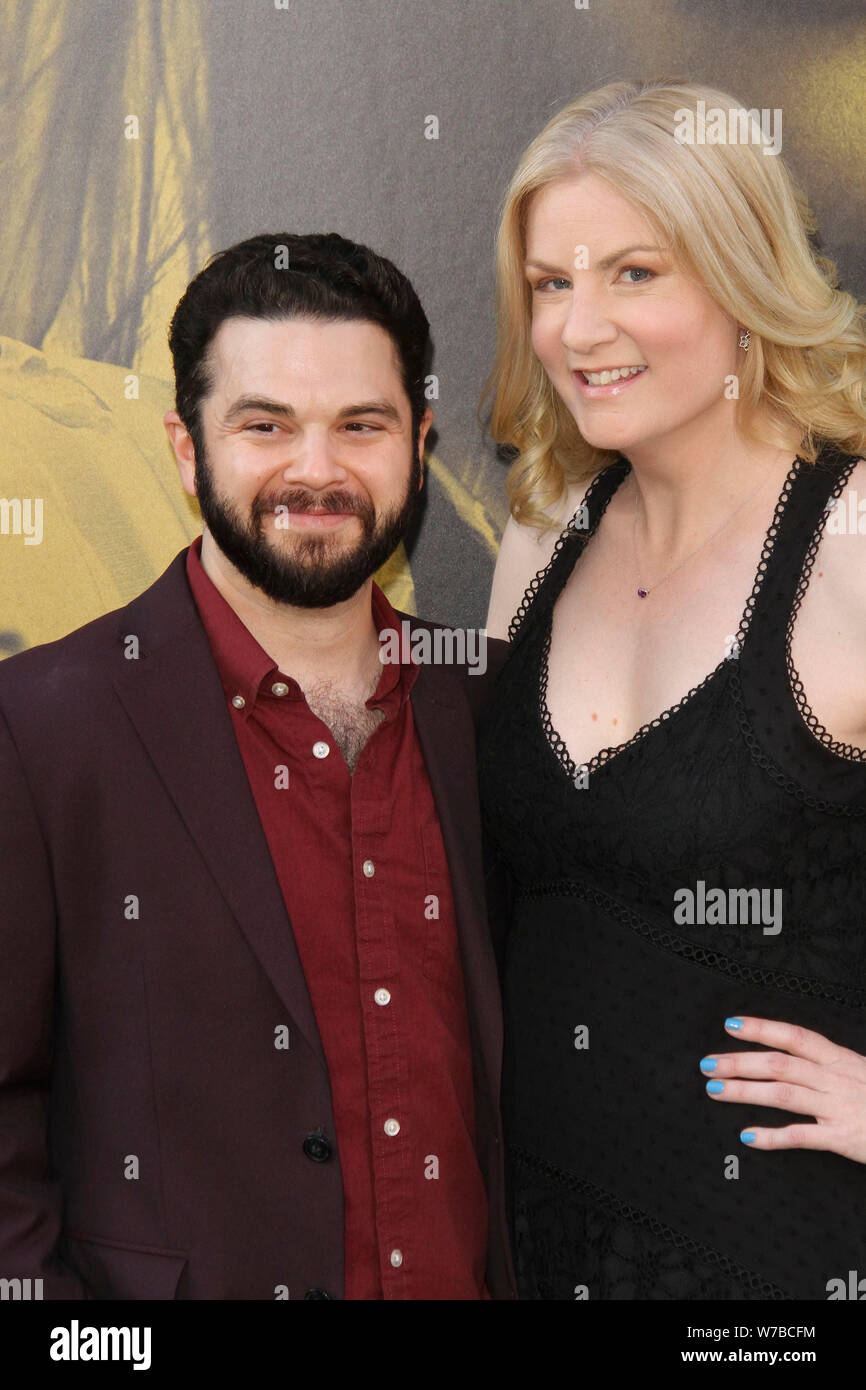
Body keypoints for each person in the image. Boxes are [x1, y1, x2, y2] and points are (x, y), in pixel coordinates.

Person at [0, 232, 516, 1301]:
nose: (315, 470)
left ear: (418, 446)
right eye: (264, 426)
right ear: (187, 454)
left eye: (360, 426)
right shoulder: (44, 726)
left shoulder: (489, 705)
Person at [477, 79, 866, 1300]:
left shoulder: (852, 541)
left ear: (742, 281)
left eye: (634, 273)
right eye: (551, 284)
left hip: (781, 1268)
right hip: (538, 1235)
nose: (579, 328)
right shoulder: (542, 532)